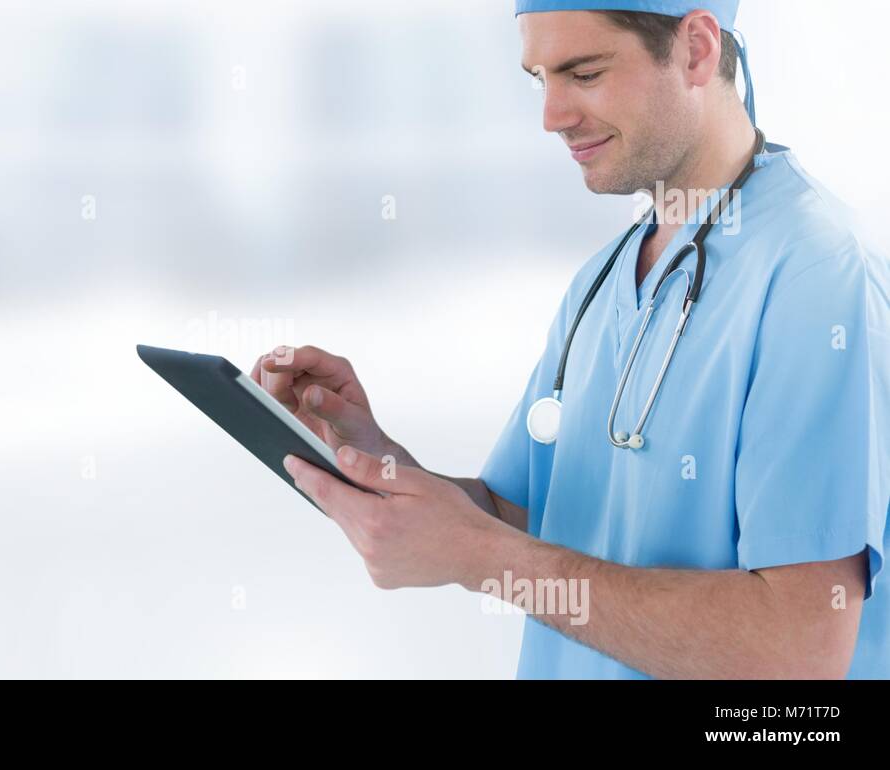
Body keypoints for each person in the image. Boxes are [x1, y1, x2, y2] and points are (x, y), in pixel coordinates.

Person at [253, 0, 890, 678]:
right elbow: (526, 516)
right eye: (540, 78)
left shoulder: (817, 279)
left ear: (698, 50)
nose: (552, 116)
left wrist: (485, 558)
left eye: (583, 73)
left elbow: (795, 652)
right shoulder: (607, 277)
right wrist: (374, 459)